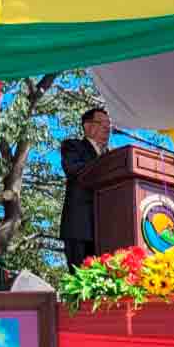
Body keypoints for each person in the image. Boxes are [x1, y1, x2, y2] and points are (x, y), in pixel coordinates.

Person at [60, 106, 111, 269]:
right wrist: (105, 163)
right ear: (87, 126)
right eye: (102, 124)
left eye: (109, 125)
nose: (107, 128)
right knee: (80, 278)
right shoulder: (73, 146)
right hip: (80, 226)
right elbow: (73, 169)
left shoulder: (110, 155)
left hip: (106, 228)